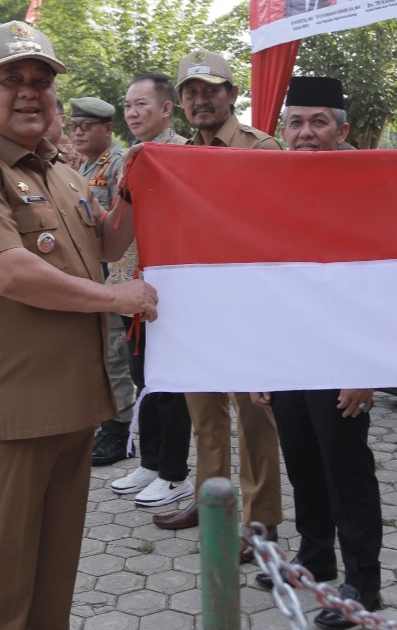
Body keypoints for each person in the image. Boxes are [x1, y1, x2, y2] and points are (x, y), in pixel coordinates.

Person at [0, 20, 156, 630]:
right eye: (12, 79)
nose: (30, 91)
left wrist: (139, 185)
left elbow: (106, 242)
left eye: (41, 81)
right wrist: (116, 298)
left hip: (69, 409)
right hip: (6, 417)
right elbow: (11, 273)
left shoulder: (59, 171)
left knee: (52, 583)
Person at [249, 75, 384, 629]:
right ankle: (315, 557)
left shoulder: (369, 188)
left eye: (318, 122)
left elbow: (382, 285)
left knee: (345, 467)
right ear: (283, 130)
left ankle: (362, 582)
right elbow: (266, 278)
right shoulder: (274, 187)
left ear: (341, 130)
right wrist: (261, 360)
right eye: (296, 122)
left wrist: (366, 367)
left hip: (343, 355)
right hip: (288, 352)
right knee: (302, 461)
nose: (305, 133)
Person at [152, 50, 284, 566]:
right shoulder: (177, 156)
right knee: (204, 413)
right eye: (190, 92)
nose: (199, 100)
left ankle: (261, 523)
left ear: (232, 95)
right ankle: (212, 505)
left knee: (254, 418)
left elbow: (279, 226)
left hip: (248, 304)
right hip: (195, 304)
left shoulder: (261, 148)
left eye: (210, 90)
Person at [111, 73, 195, 507]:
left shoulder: (183, 154)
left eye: (141, 104)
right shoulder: (131, 156)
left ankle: (175, 473)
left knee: (169, 386)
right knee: (143, 378)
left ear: (166, 109)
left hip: (168, 289)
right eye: (127, 105)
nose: (132, 112)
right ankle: (151, 462)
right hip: (130, 286)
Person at [69, 96, 135, 467]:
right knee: (101, 355)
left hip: (114, 275)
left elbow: (121, 222)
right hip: (93, 275)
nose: (77, 133)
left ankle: (120, 432)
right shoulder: (86, 165)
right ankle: (109, 422)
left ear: (108, 129)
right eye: (74, 126)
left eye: (86, 126)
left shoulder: (118, 163)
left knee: (114, 356)